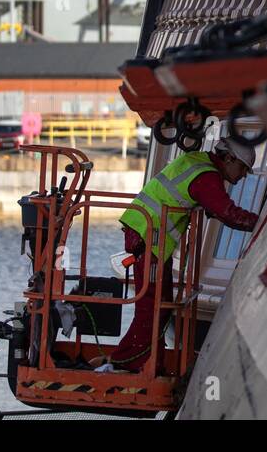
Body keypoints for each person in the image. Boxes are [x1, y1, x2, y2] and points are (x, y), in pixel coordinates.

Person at [95, 137, 258, 373]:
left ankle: (146, 363)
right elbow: (229, 213)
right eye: (242, 168)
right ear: (229, 158)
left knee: (158, 306)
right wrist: (261, 222)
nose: (243, 175)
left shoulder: (197, 162)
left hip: (146, 234)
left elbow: (204, 202)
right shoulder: (207, 177)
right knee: (153, 308)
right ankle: (128, 362)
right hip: (149, 238)